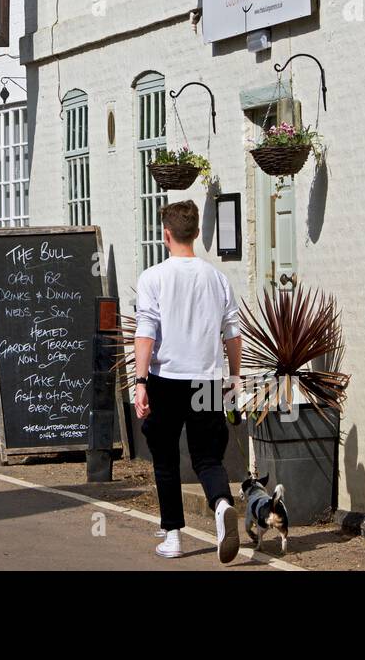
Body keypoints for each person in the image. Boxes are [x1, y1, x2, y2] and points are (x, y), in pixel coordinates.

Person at [132, 200, 243, 563]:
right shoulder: (217, 278)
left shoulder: (153, 278)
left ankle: (174, 536)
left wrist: (140, 381)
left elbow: (146, 333)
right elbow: (232, 334)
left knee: (164, 457)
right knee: (208, 457)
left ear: (166, 234)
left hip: (167, 380)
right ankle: (223, 504)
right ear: (196, 233)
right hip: (208, 379)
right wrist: (235, 377)